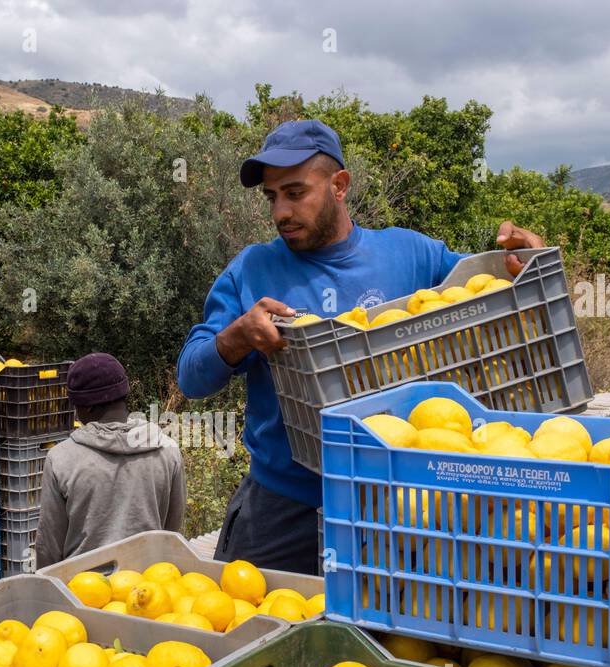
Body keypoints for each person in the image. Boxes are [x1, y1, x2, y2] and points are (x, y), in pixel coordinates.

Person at [177, 119, 543, 574]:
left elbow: (482, 293)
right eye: (272, 197)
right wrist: (236, 337)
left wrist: (521, 265)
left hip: (398, 506)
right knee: (254, 630)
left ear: (340, 185)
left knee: (382, 639)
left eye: (295, 192)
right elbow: (191, 376)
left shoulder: (411, 254)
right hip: (281, 507)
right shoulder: (252, 269)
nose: (280, 213)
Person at [35, 353, 186, 568]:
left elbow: (48, 545)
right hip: (148, 585)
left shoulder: (61, 458)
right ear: (124, 394)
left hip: (84, 589)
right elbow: (171, 531)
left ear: (85, 407)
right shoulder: (167, 450)